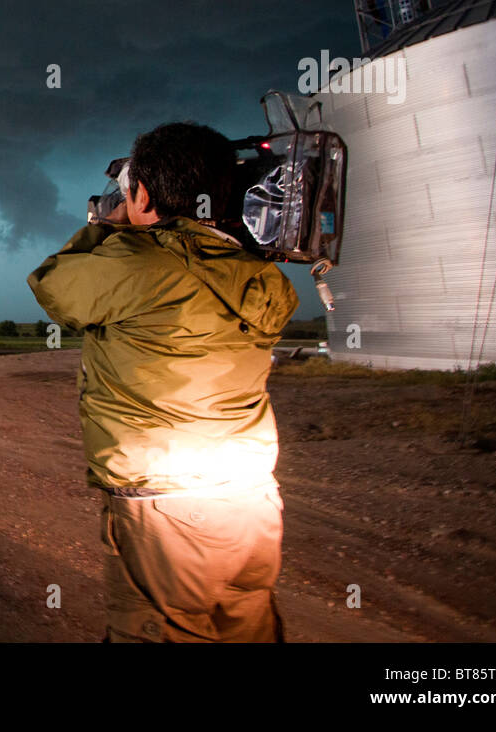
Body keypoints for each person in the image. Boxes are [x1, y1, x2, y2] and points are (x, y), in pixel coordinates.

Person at [28, 122, 298, 642]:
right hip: (251, 499)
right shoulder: (263, 276)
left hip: (166, 511)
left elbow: (52, 283)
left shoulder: (135, 263)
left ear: (143, 193)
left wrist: (106, 224)